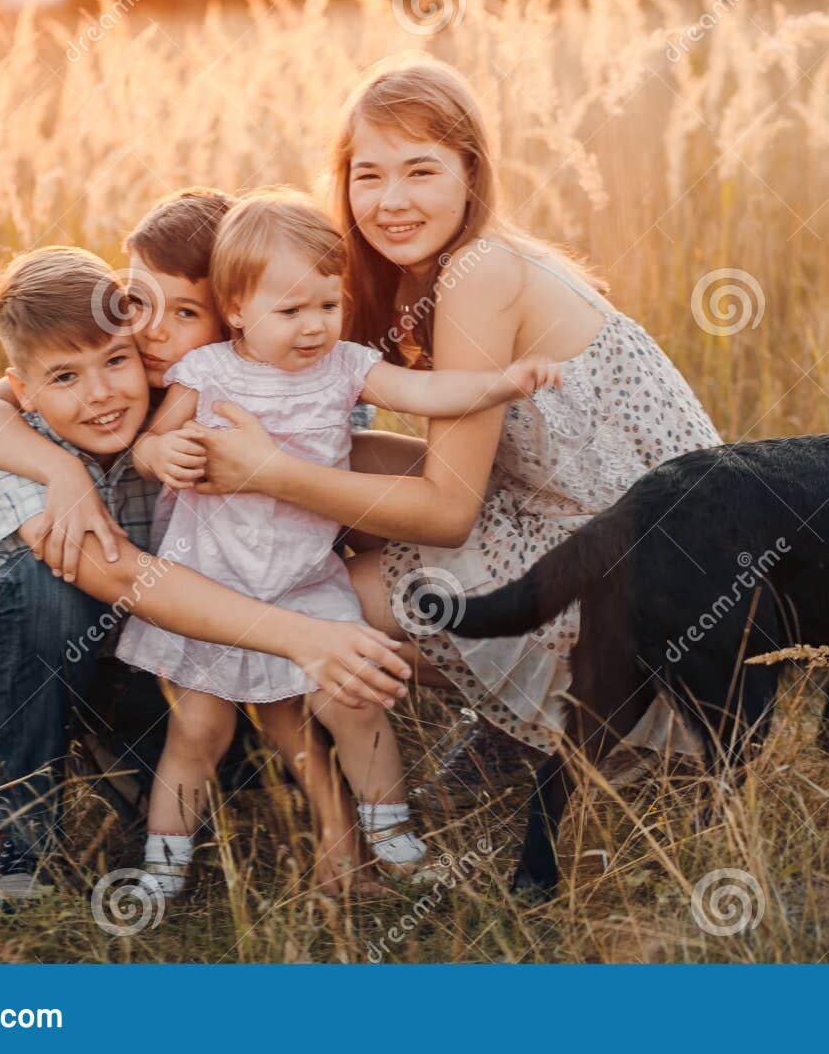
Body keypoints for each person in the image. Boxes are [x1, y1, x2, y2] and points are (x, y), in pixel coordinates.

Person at [191, 57, 722, 793]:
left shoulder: (480, 272)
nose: (392, 200)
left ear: (471, 172)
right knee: (330, 475)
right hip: (562, 515)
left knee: (336, 603)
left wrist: (268, 472)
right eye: (368, 174)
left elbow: (446, 511)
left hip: (656, 580)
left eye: (421, 171)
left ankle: (554, 726)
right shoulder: (404, 273)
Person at [0, 246, 411, 904]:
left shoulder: (175, 418)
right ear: (23, 391)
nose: (101, 394)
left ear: (140, 353)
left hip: (125, 659)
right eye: (65, 378)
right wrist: (304, 637)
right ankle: (22, 849)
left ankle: (128, 759)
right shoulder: (8, 460)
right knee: (52, 580)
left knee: (237, 682)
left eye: (116, 360)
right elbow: (120, 578)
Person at [119, 188, 561, 890]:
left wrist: (502, 383)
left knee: (354, 700)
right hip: (211, 583)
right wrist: (157, 457)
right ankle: (162, 864)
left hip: (306, 578)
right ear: (236, 310)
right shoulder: (206, 373)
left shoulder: (347, 365)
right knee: (200, 731)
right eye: (289, 311)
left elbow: (429, 395)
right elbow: (151, 444)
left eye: (328, 304)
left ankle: (390, 828)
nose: (313, 326)